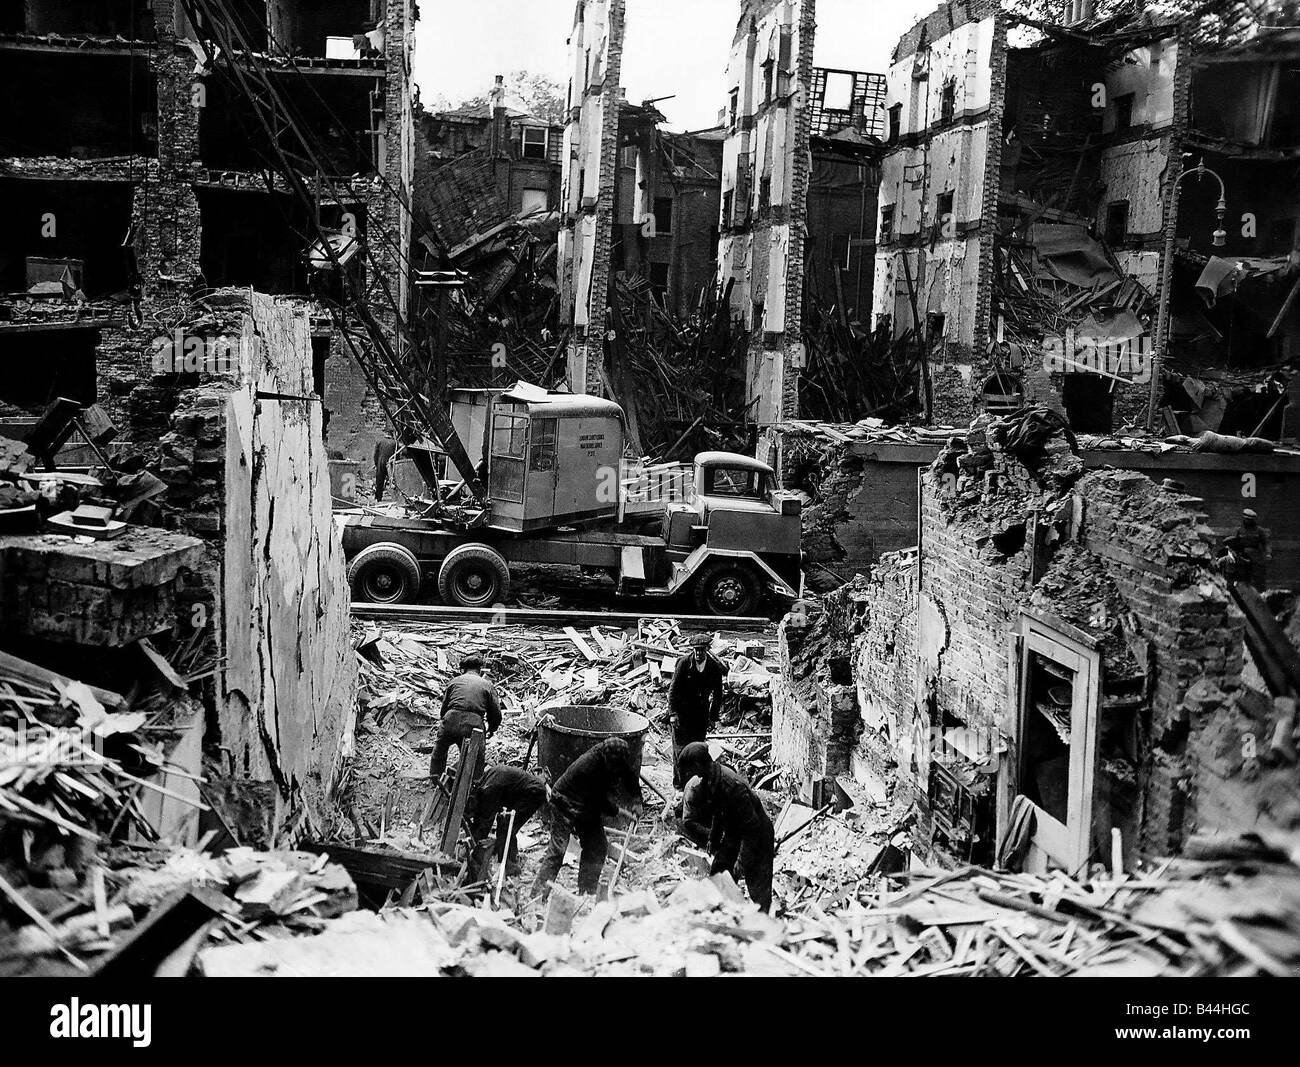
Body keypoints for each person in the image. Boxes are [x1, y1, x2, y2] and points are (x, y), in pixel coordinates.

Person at [533, 737, 643, 896]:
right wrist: (621, 812)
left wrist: (637, 801)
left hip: (586, 804)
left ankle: (587, 891)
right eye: (611, 766)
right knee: (558, 850)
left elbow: (629, 775)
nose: (614, 769)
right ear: (605, 757)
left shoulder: (617, 756)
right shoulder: (589, 765)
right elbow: (598, 801)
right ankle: (537, 896)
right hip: (564, 801)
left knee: (597, 847)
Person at [676, 742, 775, 913]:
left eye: (690, 769)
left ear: (698, 765)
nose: (689, 774)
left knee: (757, 887)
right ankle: (720, 915)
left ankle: (764, 921)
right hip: (733, 831)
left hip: (757, 835)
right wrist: (713, 839)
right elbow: (718, 812)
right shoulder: (708, 779)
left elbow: (752, 828)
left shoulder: (731, 785)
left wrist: (741, 861)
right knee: (719, 873)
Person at [467, 765, 547, 881]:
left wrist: (472, 850)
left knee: (507, 825)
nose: (472, 815)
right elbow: (480, 818)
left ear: (472, 801)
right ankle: (506, 858)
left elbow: (484, 824)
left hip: (534, 792)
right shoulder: (483, 785)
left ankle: (510, 865)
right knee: (503, 821)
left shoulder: (488, 791)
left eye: (470, 812)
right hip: (518, 793)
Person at [429, 654, 501, 783]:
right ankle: (473, 785)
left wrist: (444, 721)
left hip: (451, 718)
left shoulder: (454, 681)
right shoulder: (487, 685)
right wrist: (492, 728)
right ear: (479, 669)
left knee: (440, 751)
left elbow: (444, 706)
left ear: (464, 669)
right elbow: (495, 712)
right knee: (476, 757)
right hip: (473, 723)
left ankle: (435, 780)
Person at [668, 633, 724, 788]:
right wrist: (672, 714)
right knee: (680, 752)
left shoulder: (714, 667)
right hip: (682, 714)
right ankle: (679, 785)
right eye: (696, 650)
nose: (698, 653)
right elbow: (673, 690)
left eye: (701, 649)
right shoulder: (684, 663)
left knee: (697, 750)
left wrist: (713, 717)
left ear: (707, 649)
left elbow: (718, 694)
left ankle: (694, 783)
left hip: (700, 715)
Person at [1235, 508, 1271, 589]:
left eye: (1249, 519)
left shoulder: (1259, 530)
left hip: (1256, 557)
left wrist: (1268, 553)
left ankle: (1260, 592)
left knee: (1258, 577)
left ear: (1252, 520)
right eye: (1246, 519)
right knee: (1243, 578)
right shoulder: (1240, 530)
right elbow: (1236, 543)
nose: (1247, 521)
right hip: (1243, 557)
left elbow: (1266, 543)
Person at [373, 436, 397, 501]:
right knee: (393, 481)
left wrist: (376, 463)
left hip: (381, 463)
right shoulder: (395, 443)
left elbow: (375, 454)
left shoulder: (379, 441)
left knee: (379, 481)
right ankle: (395, 497)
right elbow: (397, 456)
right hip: (391, 463)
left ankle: (378, 497)